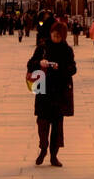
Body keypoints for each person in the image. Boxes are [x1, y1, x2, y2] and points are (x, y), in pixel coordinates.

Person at [26, 23, 76, 167]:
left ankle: (54, 155)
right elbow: (30, 64)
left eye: (58, 36)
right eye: (54, 35)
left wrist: (59, 67)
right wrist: (39, 63)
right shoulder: (43, 48)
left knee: (57, 124)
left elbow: (72, 68)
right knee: (42, 121)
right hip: (43, 89)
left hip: (60, 91)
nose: (55, 38)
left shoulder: (67, 50)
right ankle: (43, 147)